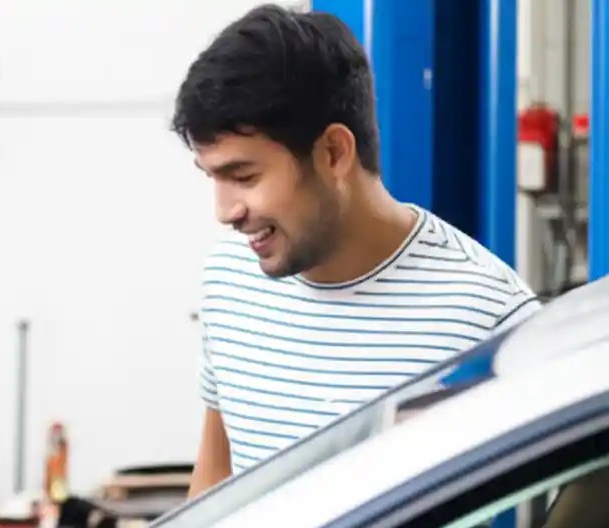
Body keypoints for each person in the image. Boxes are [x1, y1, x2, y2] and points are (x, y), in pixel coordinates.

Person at [174, 4, 541, 500]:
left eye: (244, 176)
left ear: (333, 153)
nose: (224, 211)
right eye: (212, 177)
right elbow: (213, 485)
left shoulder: (488, 316)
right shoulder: (229, 278)